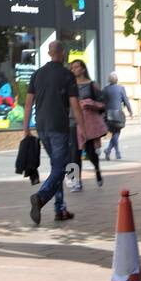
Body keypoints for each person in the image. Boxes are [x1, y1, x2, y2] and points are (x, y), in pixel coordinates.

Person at [24, 41, 85, 224]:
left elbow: (28, 104)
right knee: (62, 166)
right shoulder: (67, 76)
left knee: (56, 166)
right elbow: (75, 105)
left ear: (50, 53)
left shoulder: (37, 74)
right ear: (63, 53)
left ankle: (60, 209)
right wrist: (83, 128)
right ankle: (41, 197)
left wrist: (26, 128)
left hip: (41, 127)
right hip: (59, 127)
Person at [67, 58, 105, 191]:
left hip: (87, 123)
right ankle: (75, 182)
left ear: (83, 69)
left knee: (90, 152)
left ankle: (97, 169)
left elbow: (102, 103)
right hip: (72, 122)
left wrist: (91, 104)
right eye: (72, 68)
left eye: (76, 67)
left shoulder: (91, 85)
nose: (74, 69)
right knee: (73, 153)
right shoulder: (69, 85)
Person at [103, 72, 133, 160]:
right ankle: (115, 152)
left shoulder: (105, 89)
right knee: (116, 133)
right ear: (117, 80)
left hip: (108, 115)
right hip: (118, 114)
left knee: (114, 133)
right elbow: (126, 100)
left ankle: (110, 151)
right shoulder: (121, 88)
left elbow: (102, 102)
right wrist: (130, 111)